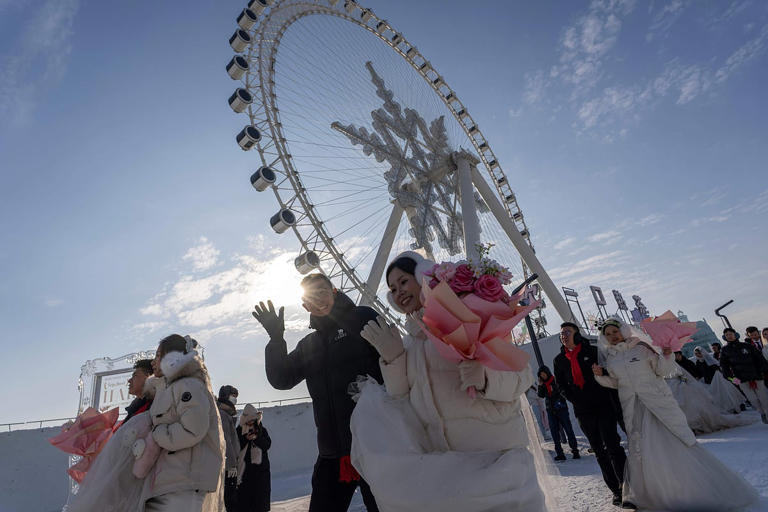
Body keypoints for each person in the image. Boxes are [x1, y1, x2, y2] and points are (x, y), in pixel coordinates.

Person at [350, 251, 550, 512]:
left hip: (497, 462)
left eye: (403, 281)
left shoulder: (467, 316)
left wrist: (485, 378)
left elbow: (521, 376)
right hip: (448, 473)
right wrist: (394, 359)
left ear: (422, 276)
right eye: (392, 288)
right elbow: (402, 402)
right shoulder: (408, 345)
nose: (398, 291)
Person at [593, 319, 757, 511]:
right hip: (634, 408)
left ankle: (689, 490)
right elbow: (616, 383)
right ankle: (656, 493)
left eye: (615, 331)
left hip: (657, 404)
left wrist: (667, 356)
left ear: (623, 331)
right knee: (643, 450)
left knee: (671, 443)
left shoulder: (642, 348)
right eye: (608, 334)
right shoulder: (611, 357)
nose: (613, 336)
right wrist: (600, 376)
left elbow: (664, 371)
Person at [252, 273, 382, 512]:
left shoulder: (362, 318)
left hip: (375, 444)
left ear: (334, 291)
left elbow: (393, 357)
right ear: (305, 305)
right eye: (311, 297)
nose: (319, 299)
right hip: (332, 452)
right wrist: (276, 339)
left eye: (322, 291)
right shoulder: (308, 345)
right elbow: (282, 378)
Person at [139, 334, 225, 511]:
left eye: (157, 355)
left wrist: (158, 433)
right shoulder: (171, 387)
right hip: (170, 481)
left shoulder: (188, 385)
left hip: (184, 483)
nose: (153, 362)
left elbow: (192, 430)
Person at [553, 322, 627, 508]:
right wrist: (574, 399)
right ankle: (616, 491)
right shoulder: (559, 360)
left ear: (577, 335)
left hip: (603, 405)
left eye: (567, 332)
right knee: (599, 451)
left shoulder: (594, 351)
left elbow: (610, 373)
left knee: (613, 446)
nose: (564, 336)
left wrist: (602, 373)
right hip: (583, 410)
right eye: (561, 334)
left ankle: (627, 485)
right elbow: (560, 386)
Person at [719, 327, 768, 424]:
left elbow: (760, 359)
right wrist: (733, 380)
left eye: (731, 333)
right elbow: (724, 368)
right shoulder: (724, 350)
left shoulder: (747, 346)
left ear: (735, 334)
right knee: (753, 399)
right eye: (727, 335)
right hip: (742, 379)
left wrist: (763, 371)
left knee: (764, 397)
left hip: (756, 376)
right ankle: (761, 413)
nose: (729, 336)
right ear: (724, 337)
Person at [537, 366, 579, 461]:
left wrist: (559, 401)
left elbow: (561, 392)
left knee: (568, 429)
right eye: (541, 375)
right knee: (554, 433)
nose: (543, 376)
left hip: (561, 409)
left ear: (547, 372)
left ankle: (575, 450)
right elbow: (541, 395)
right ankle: (560, 453)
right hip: (550, 411)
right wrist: (540, 385)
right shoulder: (543, 384)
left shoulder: (555, 380)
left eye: (544, 373)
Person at [236, 404, 271, 512]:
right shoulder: (239, 430)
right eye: (249, 420)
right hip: (244, 474)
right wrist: (246, 439)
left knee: (260, 505)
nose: (251, 423)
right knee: (245, 505)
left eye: (253, 420)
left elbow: (267, 444)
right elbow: (236, 447)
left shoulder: (261, 429)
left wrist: (256, 438)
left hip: (260, 475)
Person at [218, 385, 241, 511]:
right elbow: (226, 440)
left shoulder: (226, 414)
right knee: (229, 500)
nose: (235, 399)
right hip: (228, 466)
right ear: (226, 396)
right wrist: (231, 465)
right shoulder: (222, 414)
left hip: (229, 464)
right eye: (233, 396)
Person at [117, 359, 154, 430]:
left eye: (135, 376)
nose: (129, 380)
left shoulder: (156, 405)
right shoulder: (133, 410)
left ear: (149, 377)